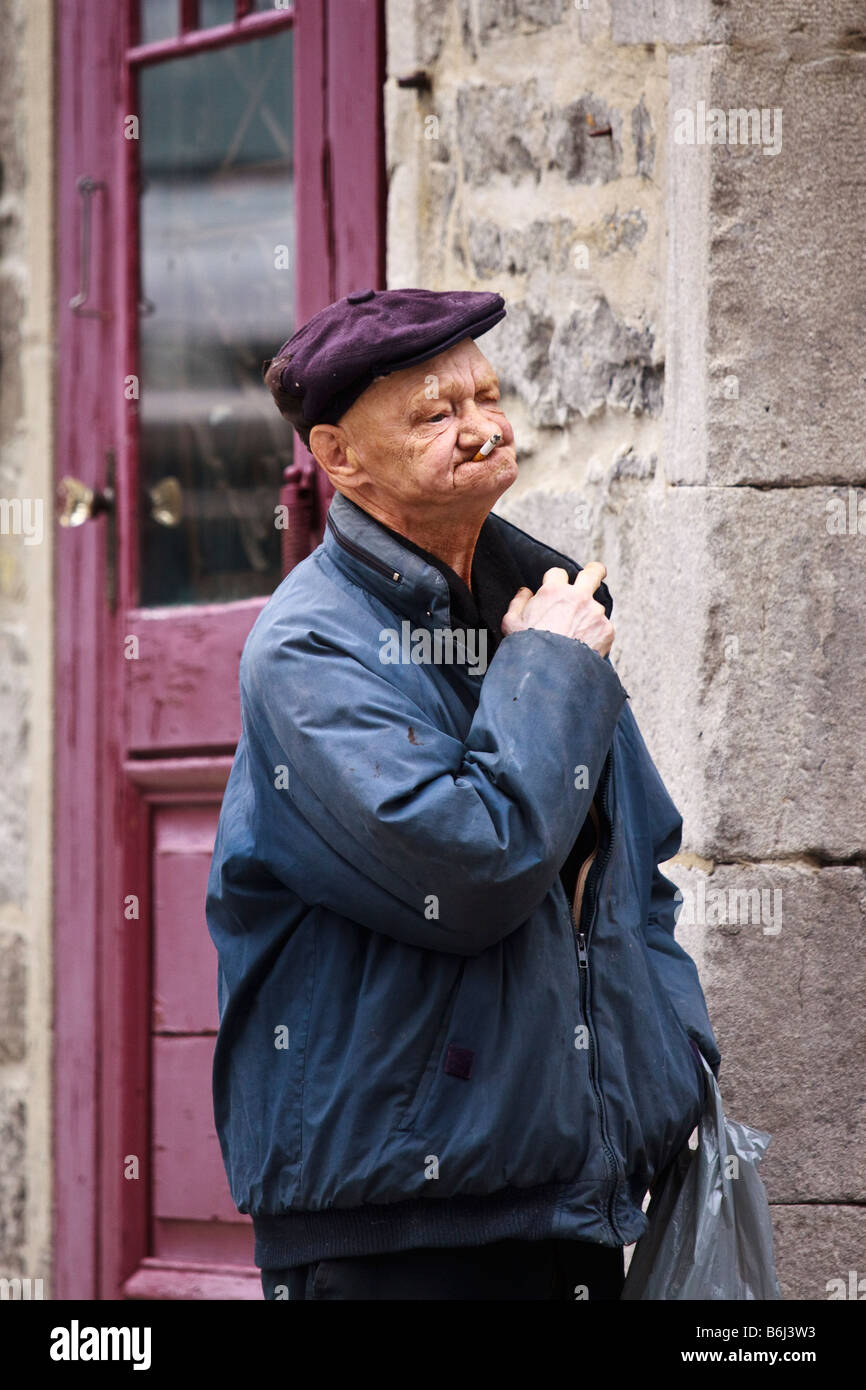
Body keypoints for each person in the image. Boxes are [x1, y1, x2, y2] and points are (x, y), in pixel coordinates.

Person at [205, 287, 720, 1301]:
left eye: (487, 395)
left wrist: (667, 1063)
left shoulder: (542, 604)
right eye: (435, 415)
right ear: (338, 457)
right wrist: (545, 668)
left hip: (567, 1196)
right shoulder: (311, 646)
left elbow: (635, 870)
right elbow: (472, 863)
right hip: (395, 1230)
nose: (481, 427)